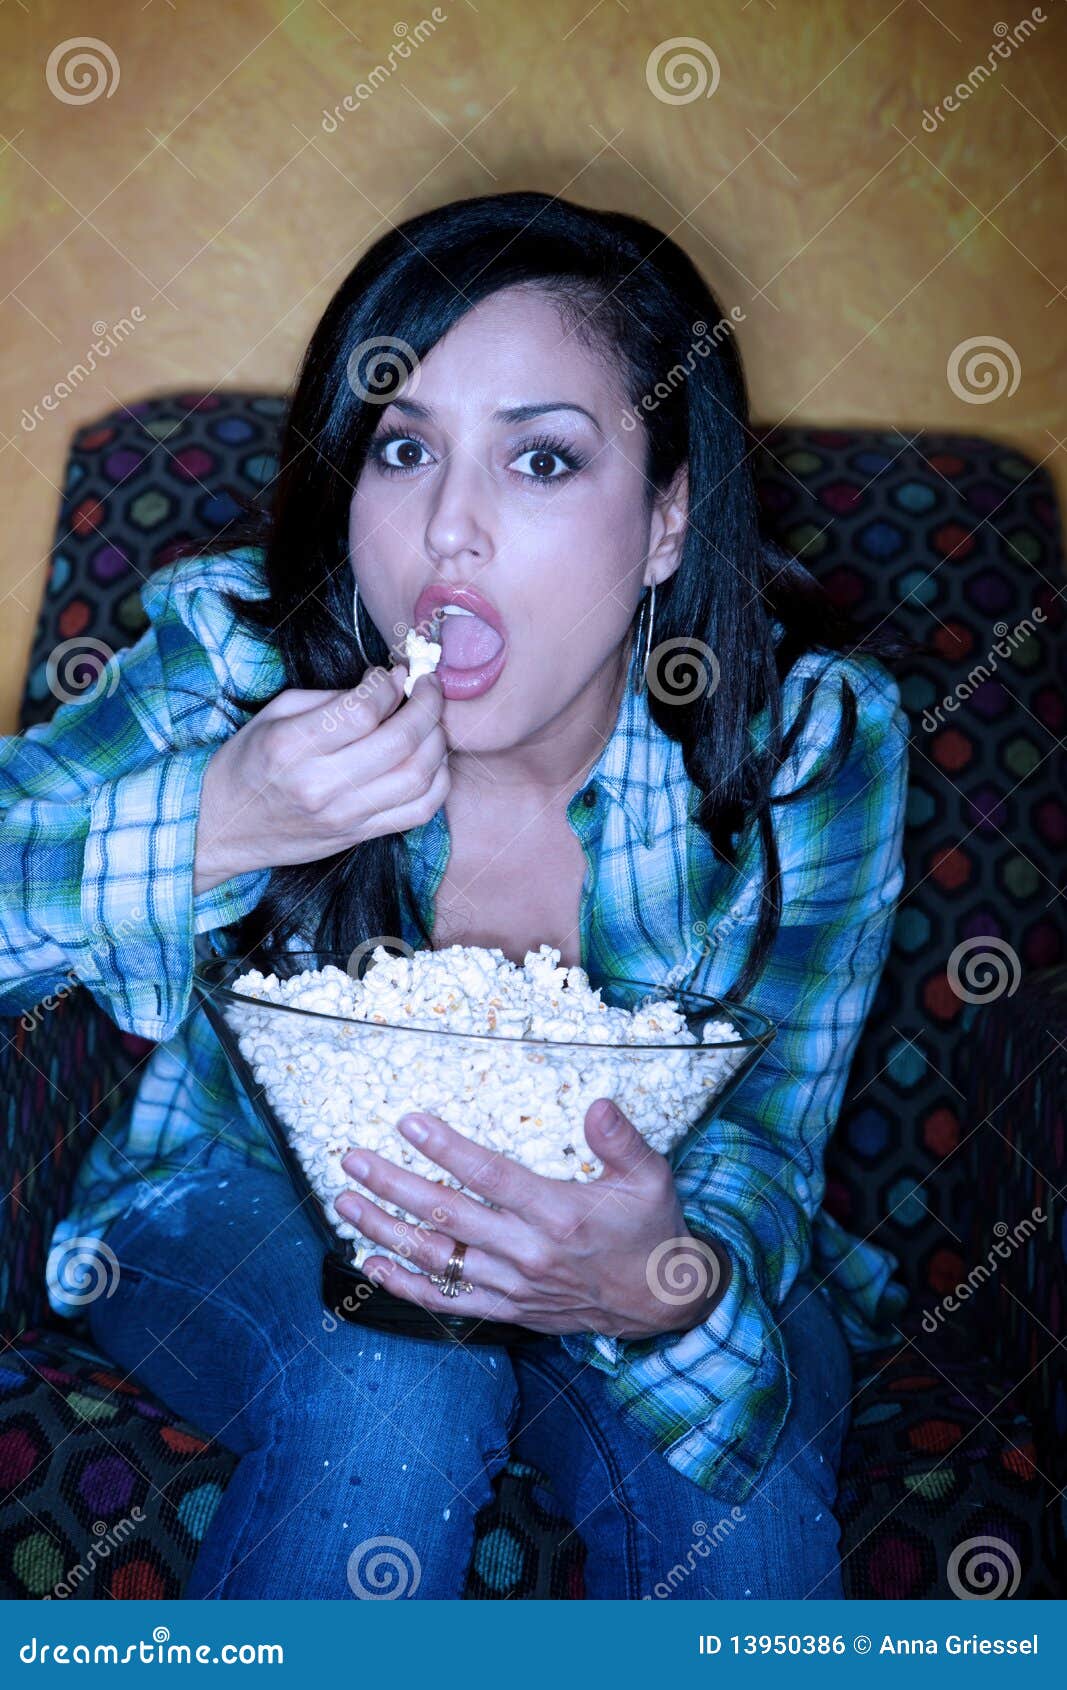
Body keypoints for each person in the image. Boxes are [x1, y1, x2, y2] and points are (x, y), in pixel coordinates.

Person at [0, 190, 911, 1600]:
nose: (449, 531)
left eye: (542, 460)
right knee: (395, 1378)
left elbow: (770, 1137)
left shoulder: (810, 752)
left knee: (734, 1491)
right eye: (403, 449)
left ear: (667, 517)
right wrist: (216, 818)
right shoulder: (239, 661)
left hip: (653, 1233)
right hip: (238, 1202)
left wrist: (664, 1280)